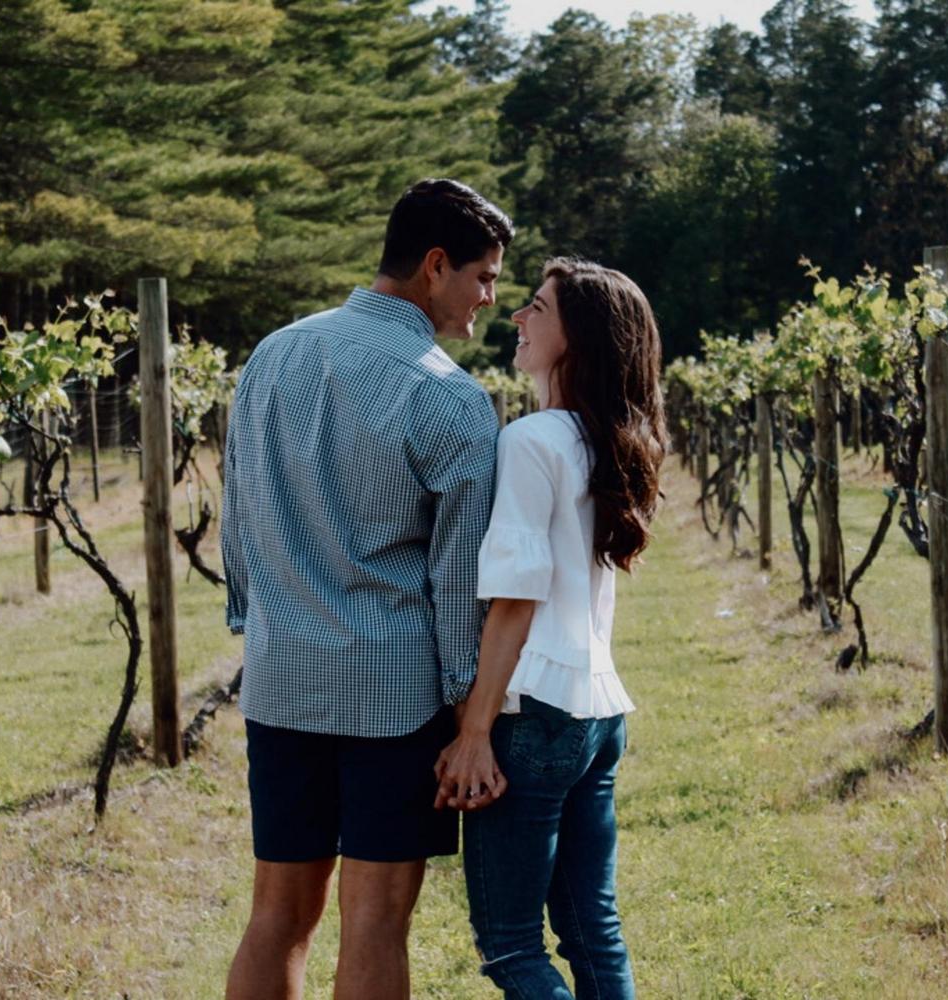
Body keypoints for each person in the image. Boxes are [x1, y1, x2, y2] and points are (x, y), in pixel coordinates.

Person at [220, 178, 513, 1000]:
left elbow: (238, 512)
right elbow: (458, 579)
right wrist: (468, 709)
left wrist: (255, 619)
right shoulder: (449, 396)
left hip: (281, 680)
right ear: (435, 265)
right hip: (394, 699)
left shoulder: (272, 355)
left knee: (277, 913)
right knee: (377, 920)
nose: (490, 299)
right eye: (484, 277)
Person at [434, 257, 669, 999]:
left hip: (532, 711)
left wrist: (474, 731)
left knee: (510, 947)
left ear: (579, 336)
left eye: (537, 307)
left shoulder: (532, 440)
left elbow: (515, 599)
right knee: (592, 928)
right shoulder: (615, 440)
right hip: (597, 711)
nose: (517, 316)